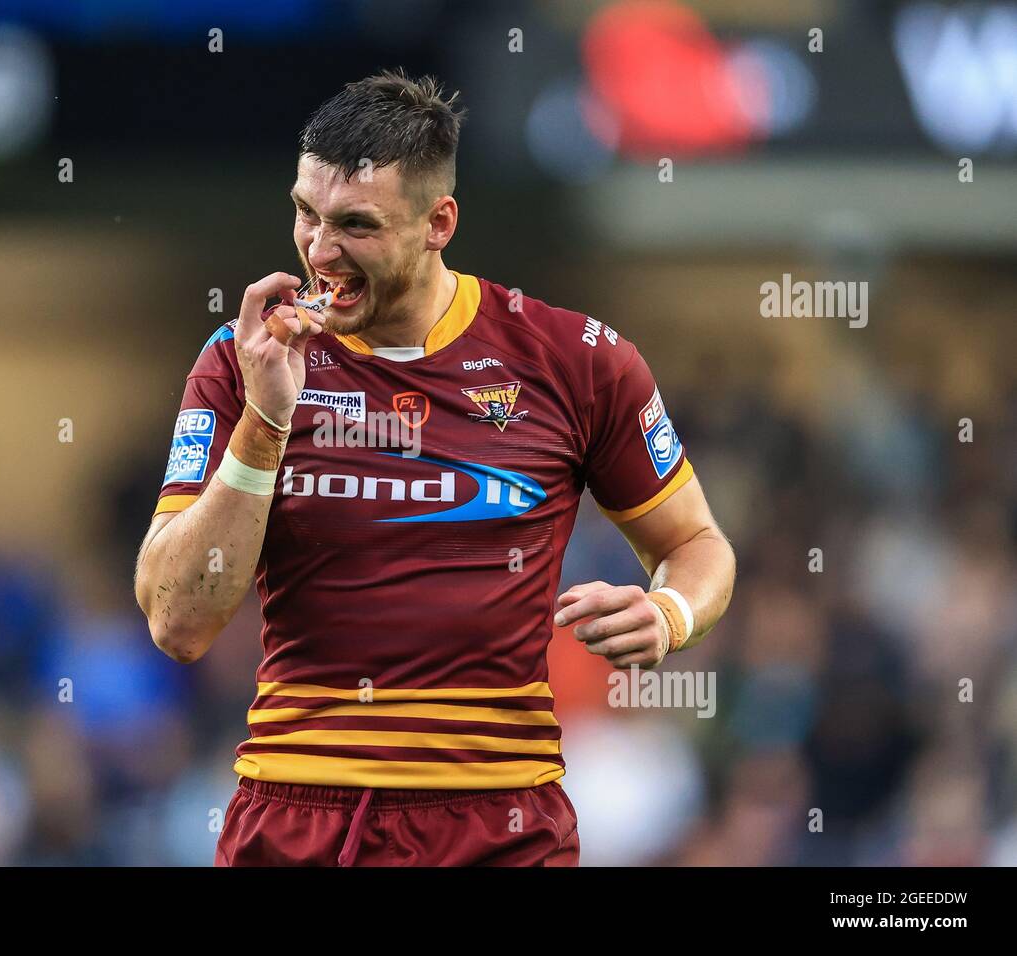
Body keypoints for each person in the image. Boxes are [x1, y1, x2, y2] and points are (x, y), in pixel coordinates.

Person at [135, 69, 735, 866]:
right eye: (305, 215)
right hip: (296, 812)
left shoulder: (579, 363)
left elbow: (696, 545)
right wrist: (266, 418)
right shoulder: (242, 362)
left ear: (438, 222)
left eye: (355, 225)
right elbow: (177, 623)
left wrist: (670, 616)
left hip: (499, 822)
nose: (320, 251)